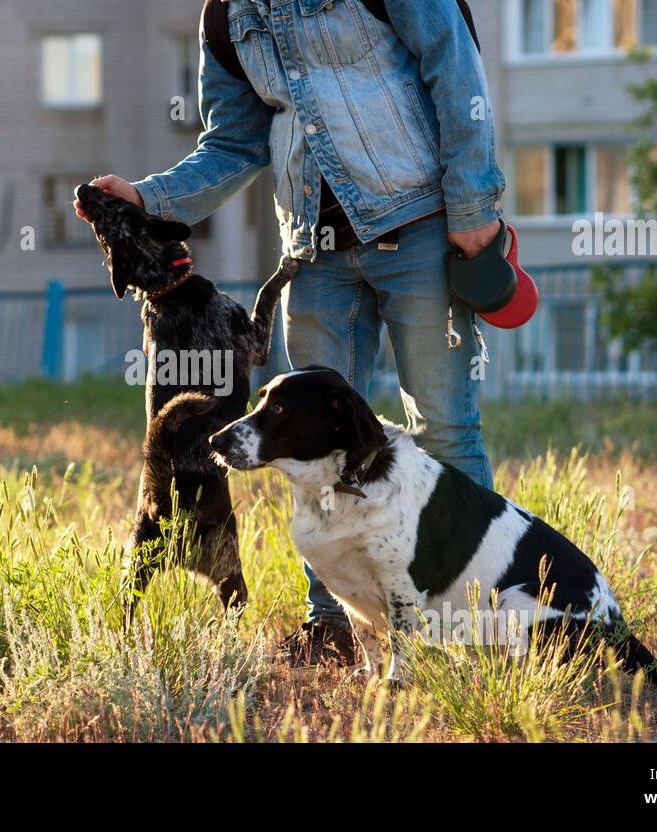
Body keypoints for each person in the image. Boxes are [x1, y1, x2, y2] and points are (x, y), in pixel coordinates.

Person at [77, 0, 502, 666]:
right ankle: (329, 625)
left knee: (445, 430)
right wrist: (148, 198)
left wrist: (474, 200)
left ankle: (475, 622)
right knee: (310, 444)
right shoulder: (226, 18)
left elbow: (455, 69)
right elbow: (232, 146)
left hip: (421, 226)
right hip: (315, 253)